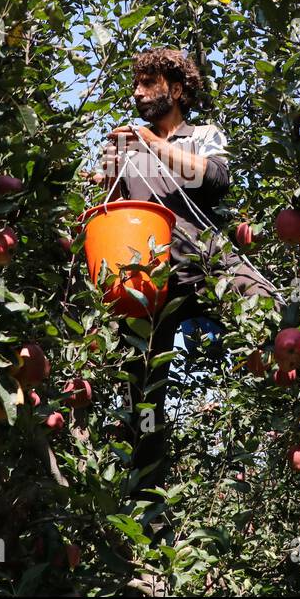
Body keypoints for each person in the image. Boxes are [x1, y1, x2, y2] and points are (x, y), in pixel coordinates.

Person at [97, 48, 273, 502]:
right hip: (147, 279)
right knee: (140, 394)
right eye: (135, 84)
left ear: (175, 90)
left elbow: (215, 179)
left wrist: (153, 145)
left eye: (147, 84)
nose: (136, 92)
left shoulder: (200, 135)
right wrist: (107, 171)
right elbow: (108, 208)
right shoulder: (129, 147)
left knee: (270, 307)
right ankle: (147, 504)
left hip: (204, 261)